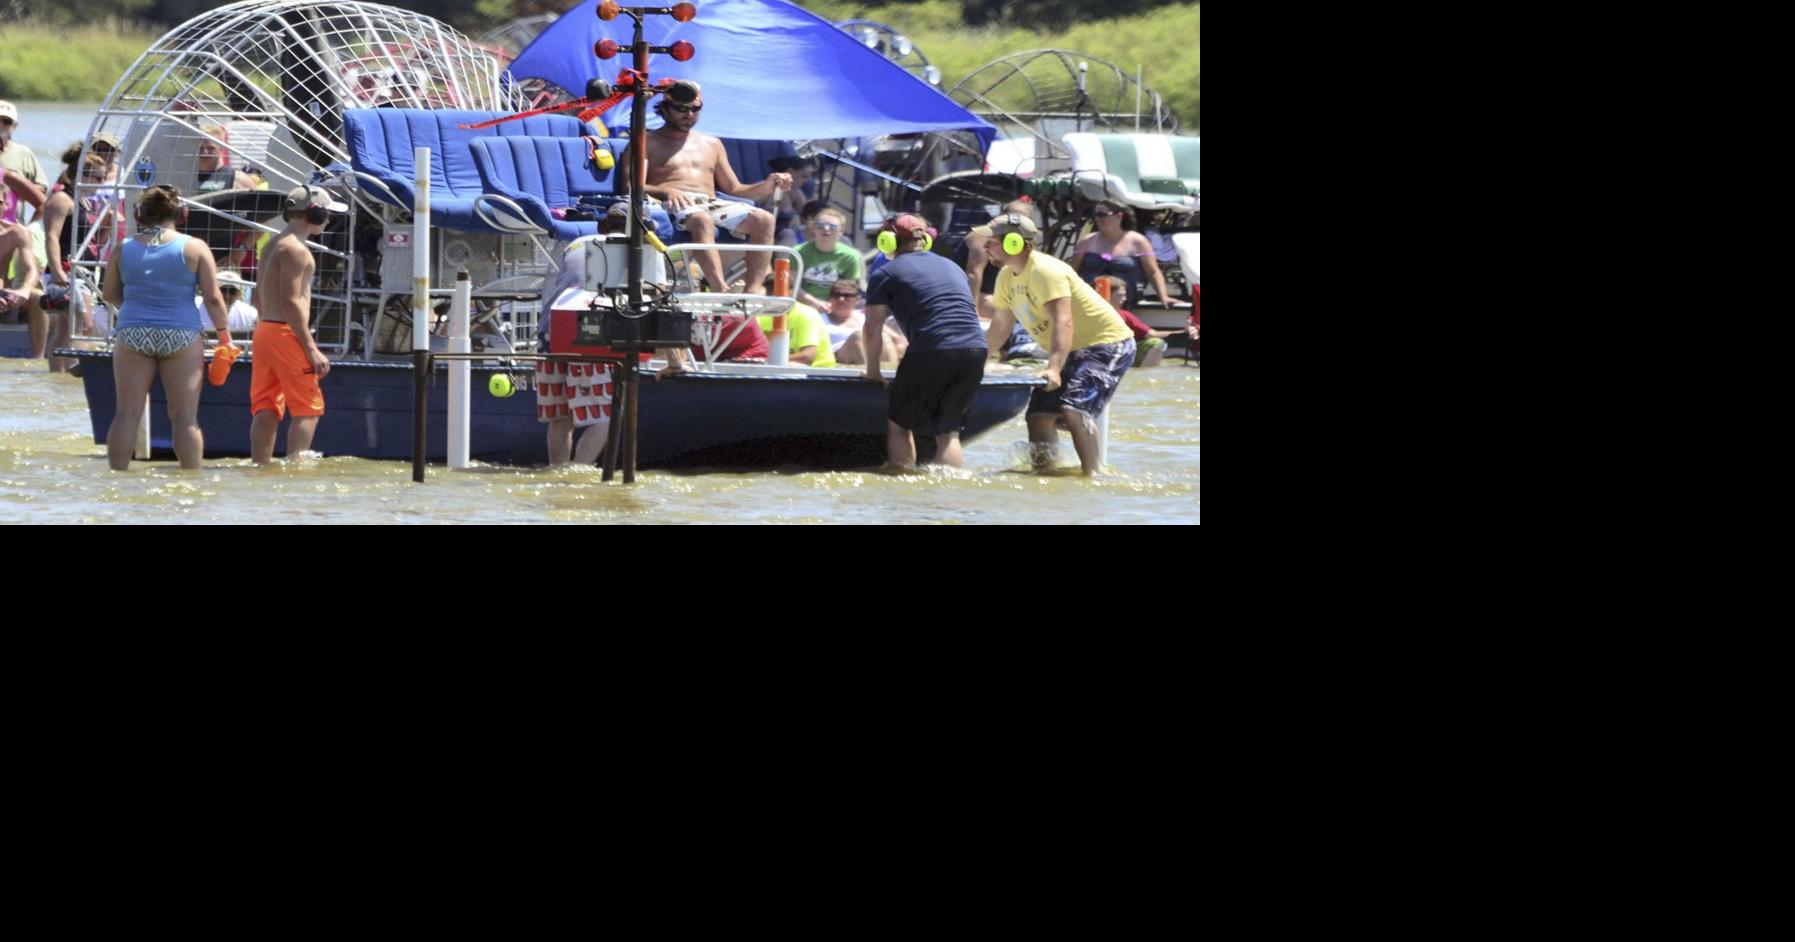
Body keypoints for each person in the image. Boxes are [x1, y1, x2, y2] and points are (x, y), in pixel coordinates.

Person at [979, 213, 1135, 476]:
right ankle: (1046, 474)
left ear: (1014, 243)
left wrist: (1053, 368)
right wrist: (974, 362)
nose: (985, 247)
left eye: (991, 241)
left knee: (1073, 409)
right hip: (1071, 349)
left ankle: (1093, 476)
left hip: (1107, 344)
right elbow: (1000, 328)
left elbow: (1063, 322)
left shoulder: (1045, 270)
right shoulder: (1006, 276)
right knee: (1038, 415)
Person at [100, 184, 233, 471]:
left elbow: (108, 294)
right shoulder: (195, 247)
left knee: (127, 414)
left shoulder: (123, 249)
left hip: (133, 333)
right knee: (185, 418)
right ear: (182, 214)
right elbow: (212, 297)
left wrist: (136, 309)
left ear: (139, 214)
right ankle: (192, 483)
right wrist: (225, 337)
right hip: (182, 335)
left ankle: (115, 480)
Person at [633, 81, 790, 294]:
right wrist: (666, 191)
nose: (688, 114)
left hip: (710, 201)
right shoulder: (647, 141)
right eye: (681, 108)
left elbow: (735, 189)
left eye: (694, 108)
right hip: (669, 201)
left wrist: (768, 184)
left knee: (764, 220)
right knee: (701, 219)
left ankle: (752, 292)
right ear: (665, 109)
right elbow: (632, 185)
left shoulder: (712, 143)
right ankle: (720, 288)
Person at [862, 214, 987, 468]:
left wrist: (873, 371)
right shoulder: (952, 266)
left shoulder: (885, 273)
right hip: (975, 349)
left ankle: (902, 483)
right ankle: (948, 492)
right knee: (948, 431)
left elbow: (872, 328)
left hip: (933, 348)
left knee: (900, 425)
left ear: (888, 241)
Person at [249, 186, 343, 464]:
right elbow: (291, 302)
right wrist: (311, 348)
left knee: (266, 406)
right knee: (307, 408)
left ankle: (260, 466)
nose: (328, 221)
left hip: (265, 329)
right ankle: (297, 471)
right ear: (316, 213)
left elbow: (258, 295)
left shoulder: (272, 243)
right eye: (327, 215)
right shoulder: (296, 251)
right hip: (285, 331)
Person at [36, 146, 108, 372]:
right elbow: (51, 236)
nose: (102, 181)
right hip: (67, 271)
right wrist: (57, 270)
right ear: (82, 175)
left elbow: (88, 238)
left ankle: (59, 375)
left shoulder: (84, 200)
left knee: (68, 327)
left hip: (82, 271)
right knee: (82, 324)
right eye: (98, 177)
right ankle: (79, 372)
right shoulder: (61, 199)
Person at [1069, 201, 1172, 307]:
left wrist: (1163, 296)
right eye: (1095, 215)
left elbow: (1153, 272)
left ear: (1118, 216)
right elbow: (1072, 273)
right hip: (1090, 301)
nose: (1098, 219)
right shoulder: (1086, 241)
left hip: (1123, 301)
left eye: (1102, 215)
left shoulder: (1138, 241)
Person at [794, 208, 862, 314]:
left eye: (833, 226)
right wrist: (815, 303)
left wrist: (831, 307)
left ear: (840, 232)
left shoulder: (851, 257)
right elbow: (791, 287)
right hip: (802, 307)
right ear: (814, 229)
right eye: (821, 226)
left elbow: (848, 291)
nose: (826, 229)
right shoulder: (798, 253)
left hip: (835, 308)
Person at [0, 101, 46, 225]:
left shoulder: (23, 153)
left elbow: (42, 190)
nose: (0, 124)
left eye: (6, 121)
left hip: (12, 225)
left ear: (14, 126)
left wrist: (15, 186)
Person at [756, 299, 834, 367]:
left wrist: (763, 361)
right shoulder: (758, 314)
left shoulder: (806, 314)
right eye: (769, 287)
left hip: (818, 374)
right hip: (773, 371)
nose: (774, 295)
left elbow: (807, 357)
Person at [194, 127, 256, 193]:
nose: (205, 152)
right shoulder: (184, 175)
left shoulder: (237, 178)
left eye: (211, 148)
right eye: (200, 148)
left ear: (221, 148)